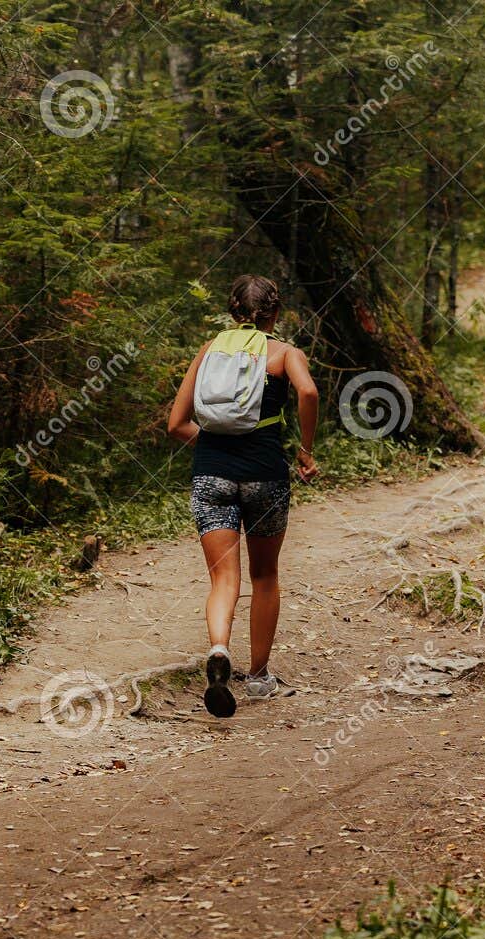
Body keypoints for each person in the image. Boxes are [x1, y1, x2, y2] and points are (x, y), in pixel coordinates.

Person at [168, 275, 320, 717]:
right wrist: (305, 450)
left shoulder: (208, 351)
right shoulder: (284, 353)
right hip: (265, 475)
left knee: (223, 579)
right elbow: (308, 391)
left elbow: (176, 424)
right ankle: (258, 677)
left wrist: (216, 449)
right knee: (265, 576)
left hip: (211, 474)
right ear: (275, 312)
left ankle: (219, 650)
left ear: (232, 311)